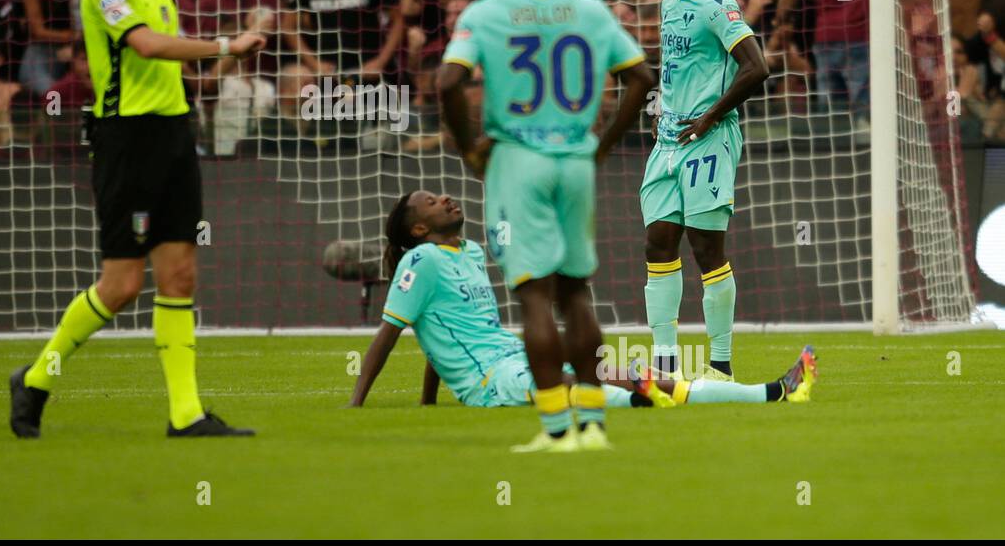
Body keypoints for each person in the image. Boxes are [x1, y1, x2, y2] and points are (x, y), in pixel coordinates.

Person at [9, 0, 266, 439]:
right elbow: (146, 45)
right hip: (127, 139)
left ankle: (186, 415)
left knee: (179, 276)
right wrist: (227, 44)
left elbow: (165, 61)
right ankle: (35, 378)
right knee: (122, 285)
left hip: (173, 134)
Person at [437, 0, 655, 453]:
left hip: (519, 157)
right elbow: (641, 77)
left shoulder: (486, 12)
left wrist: (468, 147)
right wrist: (602, 144)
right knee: (576, 290)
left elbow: (448, 80)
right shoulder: (590, 9)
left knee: (534, 294)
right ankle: (594, 426)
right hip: (576, 160)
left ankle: (557, 431)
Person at [350, 191, 817, 410]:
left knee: (632, 375)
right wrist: (356, 404)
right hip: (495, 379)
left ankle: (773, 391)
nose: (446, 198)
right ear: (418, 230)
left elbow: (448, 327)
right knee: (594, 384)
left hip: (515, 357)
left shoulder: (470, 252)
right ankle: (645, 400)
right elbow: (389, 335)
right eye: (432, 202)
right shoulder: (422, 262)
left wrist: (429, 402)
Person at [640, 0, 769, 383]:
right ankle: (667, 365)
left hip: (710, 137)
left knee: (705, 246)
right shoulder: (671, 0)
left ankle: (720, 366)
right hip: (669, 139)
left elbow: (757, 66)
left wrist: (711, 114)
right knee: (657, 242)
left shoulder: (717, 4)